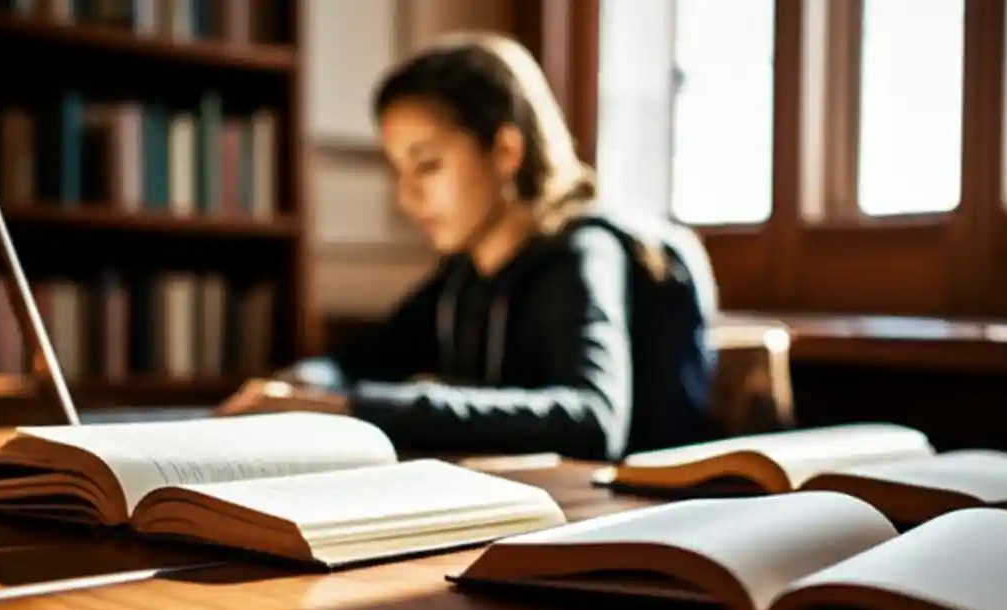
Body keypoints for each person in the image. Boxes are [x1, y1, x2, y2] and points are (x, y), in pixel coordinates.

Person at [219, 32, 717, 461]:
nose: (407, 196)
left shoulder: (583, 254)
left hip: (619, 528)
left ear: (506, 150)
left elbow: (592, 418)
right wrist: (299, 385)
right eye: (398, 170)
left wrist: (350, 408)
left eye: (428, 165)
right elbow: (364, 358)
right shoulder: (465, 273)